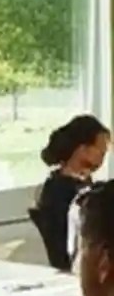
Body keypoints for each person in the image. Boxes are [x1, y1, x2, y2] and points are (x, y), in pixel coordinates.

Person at [33, 115, 109, 271]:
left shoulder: (80, 185)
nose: (104, 154)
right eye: (100, 150)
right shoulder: (59, 192)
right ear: (82, 149)